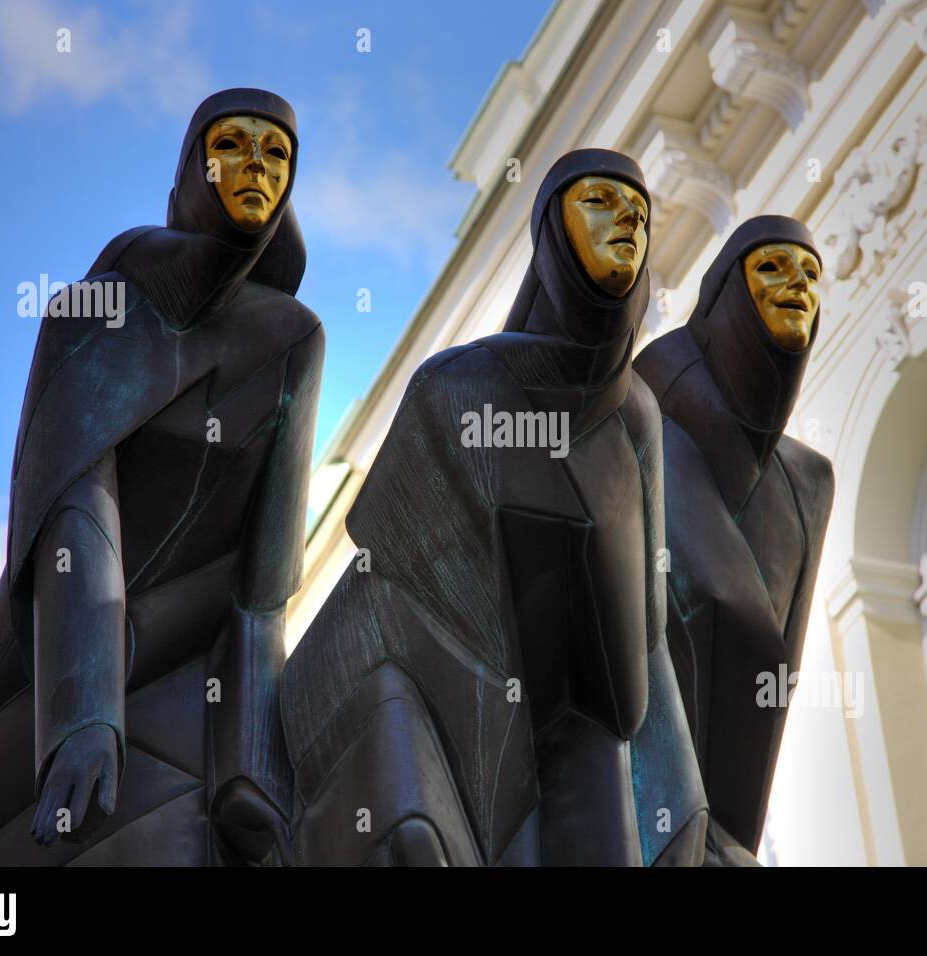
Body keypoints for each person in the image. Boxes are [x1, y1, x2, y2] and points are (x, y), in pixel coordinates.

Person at [0, 88, 323, 866]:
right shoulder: (97, 308)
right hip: (70, 652)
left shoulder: (294, 340)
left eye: (278, 151)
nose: (257, 163)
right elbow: (76, 511)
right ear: (193, 168)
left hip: (196, 671)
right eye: (233, 143)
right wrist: (85, 713)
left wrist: (257, 774)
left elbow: (263, 592)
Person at [280, 149, 707, 865]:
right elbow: (386, 596)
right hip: (467, 745)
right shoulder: (455, 387)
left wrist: (682, 802)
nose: (627, 220)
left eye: (639, 211)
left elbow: (647, 634)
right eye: (599, 201)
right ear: (550, 235)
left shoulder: (637, 418)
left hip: (592, 763)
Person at [634, 216, 834, 866]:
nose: (797, 285)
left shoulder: (806, 484)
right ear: (727, 296)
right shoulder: (637, 416)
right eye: (771, 268)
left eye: (810, 274)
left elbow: (777, 681)